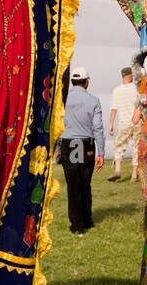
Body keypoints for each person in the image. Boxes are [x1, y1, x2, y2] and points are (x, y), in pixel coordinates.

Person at [60, 67, 105, 236]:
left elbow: (58, 124)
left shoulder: (63, 100)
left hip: (69, 144)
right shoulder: (94, 100)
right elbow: (98, 127)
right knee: (85, 183)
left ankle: (77, 225)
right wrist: (101, 152)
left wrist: (57, 148)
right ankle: (87, 220)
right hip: (86, 145)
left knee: (73, 186)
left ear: (72, 81)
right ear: (86, 82)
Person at [107, 67, 140, 181]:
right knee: (136, 147)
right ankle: (134, 174)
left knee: (119, 146)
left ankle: (118, 169)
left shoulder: (117, 90)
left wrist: (111, 125)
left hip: (123, 123)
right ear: (131, 76)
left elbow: (114, 109)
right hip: (137, 121)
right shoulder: (136, 88)